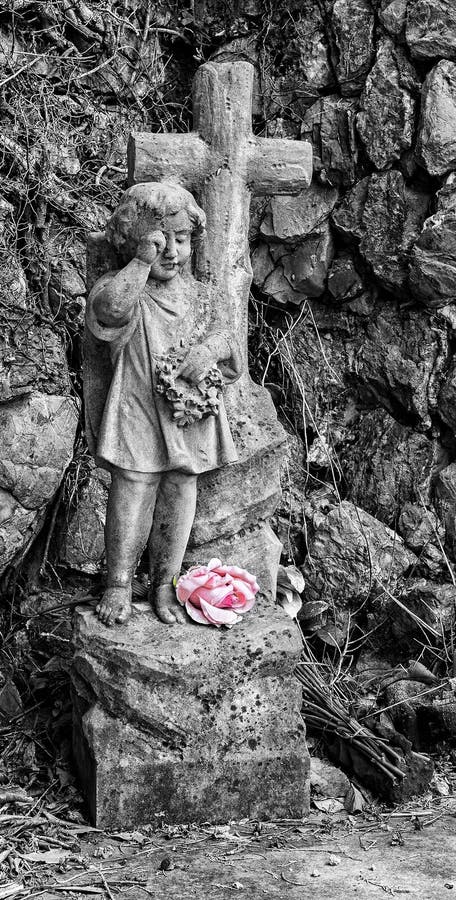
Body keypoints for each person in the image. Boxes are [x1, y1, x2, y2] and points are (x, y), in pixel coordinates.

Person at [83, 182, 241, 626]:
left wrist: (210, 351)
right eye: (157, 241)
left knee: (180, 487)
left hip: (188, 411)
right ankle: (118, 582)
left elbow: (230, 346)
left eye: (182, 239)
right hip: (137, 405)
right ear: (132, 243)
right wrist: (140, 263)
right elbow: (109, 312)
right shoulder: (123, 287)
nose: (171, 252)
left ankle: (164, 584)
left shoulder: (201, 296)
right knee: (133, 485)